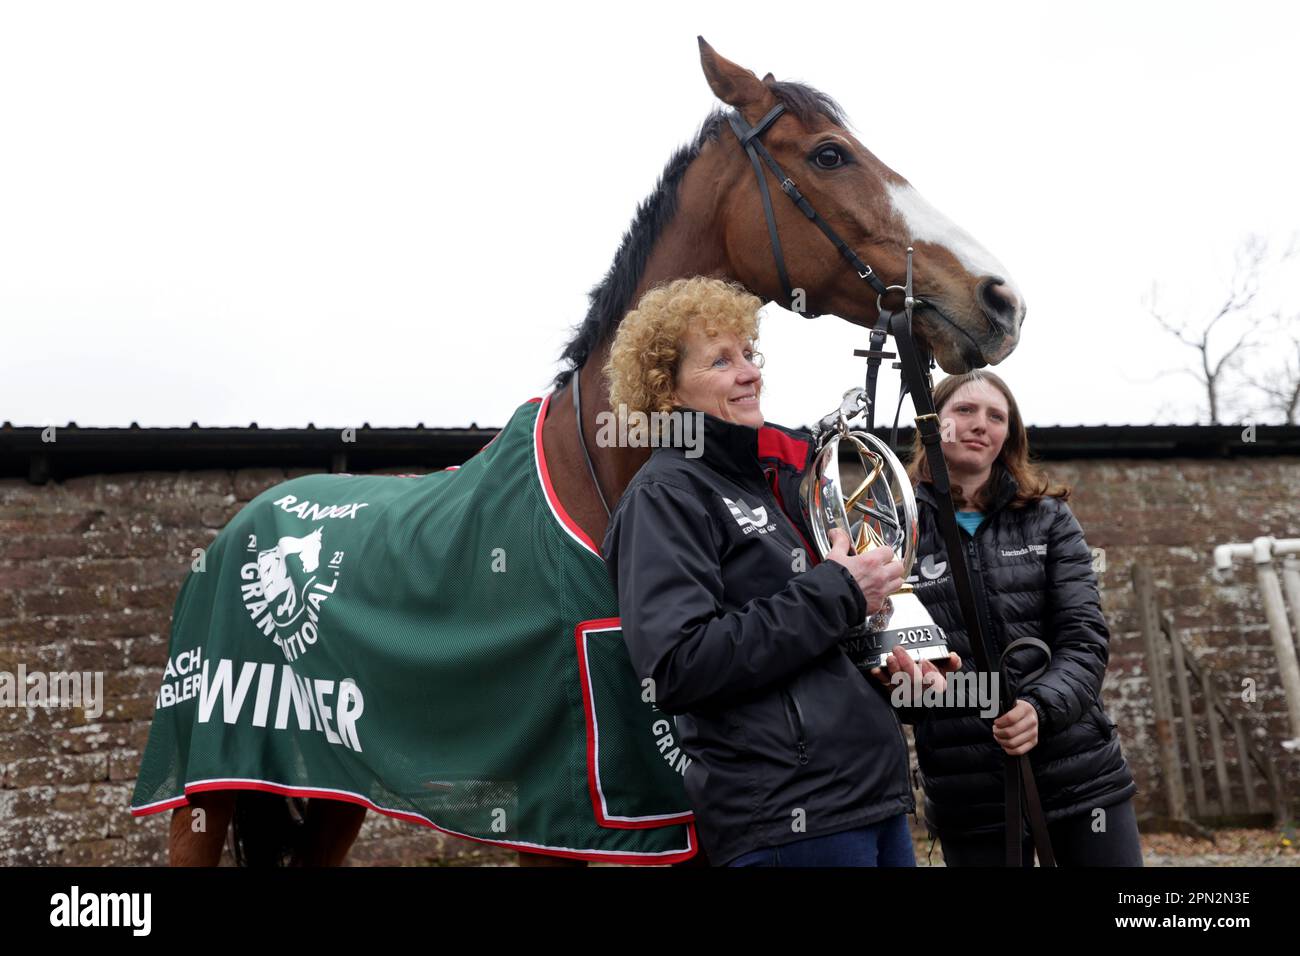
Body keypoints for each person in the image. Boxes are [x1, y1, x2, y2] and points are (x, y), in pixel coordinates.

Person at [600, 275, 954, 867]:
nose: (749, 372)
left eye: (748, 354)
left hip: (871, 802)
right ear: (668, 392)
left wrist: (894, 679)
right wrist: (839, 589)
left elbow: (811, 651)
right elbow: (678, 665)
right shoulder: (664, 496)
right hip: (790, 822)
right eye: (720, 361)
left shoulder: (774, 484)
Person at [906, 369, 1142, 866]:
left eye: (996, 416)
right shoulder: (896, 527)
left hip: (1080, 775)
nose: (980, 424)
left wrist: (1037, 708)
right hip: (967, 789)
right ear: (933, 423)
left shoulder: (1048, 517)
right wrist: (926, 689)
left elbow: (1084, 639)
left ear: (1008, 436)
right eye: (964, 411)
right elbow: (894, 660)